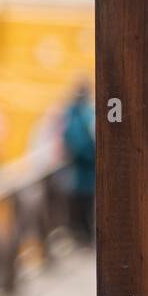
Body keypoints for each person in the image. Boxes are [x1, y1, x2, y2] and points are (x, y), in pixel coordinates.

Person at [61, 82, 96, 245]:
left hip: (83, 170)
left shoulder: (78, 114)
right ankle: (84, 236)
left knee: (85, 205)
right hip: (82, 170)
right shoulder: (80, 114)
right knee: (84, 206)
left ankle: (85, 236)